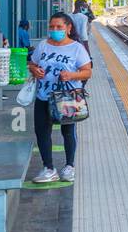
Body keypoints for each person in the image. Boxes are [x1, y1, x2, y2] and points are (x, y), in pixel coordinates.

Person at [27, 12, 92, 184]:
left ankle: (69, 167)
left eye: (59, 27)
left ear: (68, 28)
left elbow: (87, 71)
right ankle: (48, 168)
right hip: (44, 96)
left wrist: (71, 75)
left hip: (67, 97)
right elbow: (32, 64)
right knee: (42, 132)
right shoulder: (43, 45)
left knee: (68, 131)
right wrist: (34, 70)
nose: (54, 30)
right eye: (51, 27)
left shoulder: (77, 48)